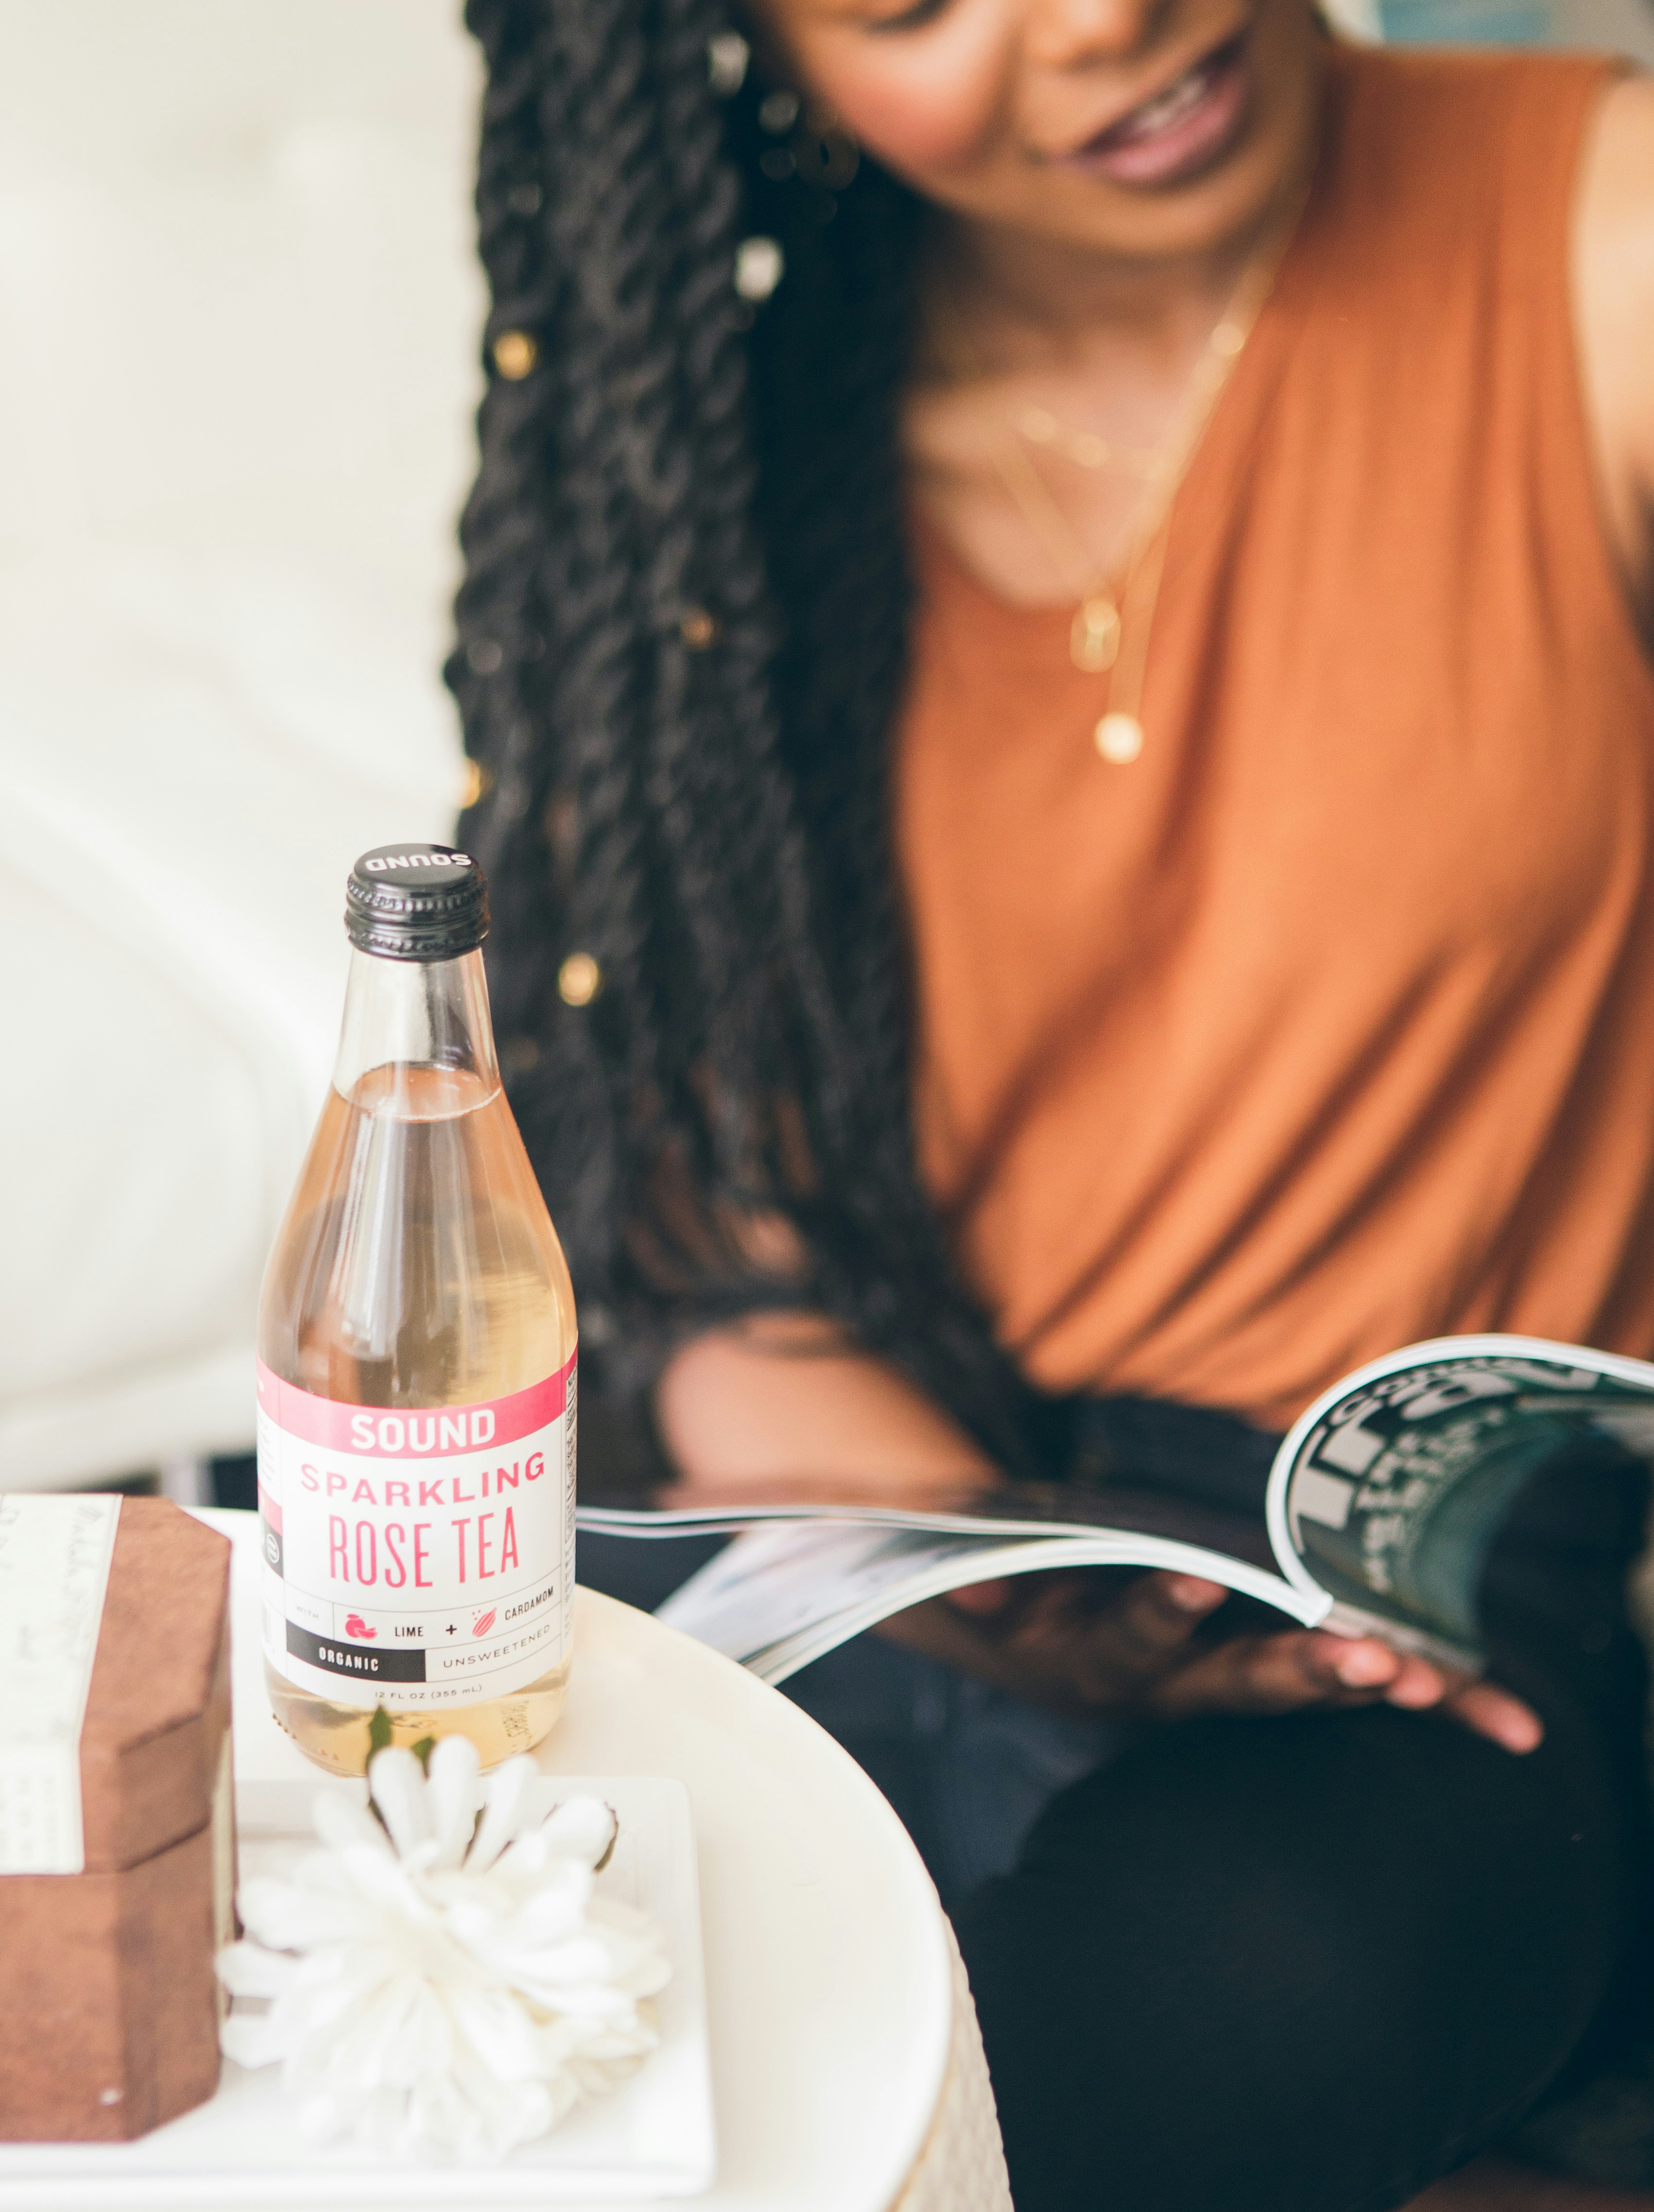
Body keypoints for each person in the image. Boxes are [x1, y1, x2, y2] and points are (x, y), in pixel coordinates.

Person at [447, 0, 1654, 2204]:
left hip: (1431, 1606)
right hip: (939, 1510)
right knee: (449, 1974)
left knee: (1184, 2014)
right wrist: (996, 1583)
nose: (1103, 15)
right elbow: (729, 1268)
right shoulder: (720, 480)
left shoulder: (1601, 235)